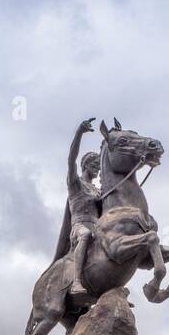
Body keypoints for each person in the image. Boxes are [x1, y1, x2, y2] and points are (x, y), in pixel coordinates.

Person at [64, 119, 102, 297]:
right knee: (86, 235)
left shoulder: (97, 190)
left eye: (99, 166)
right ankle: (76, 282)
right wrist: (79, 132)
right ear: (86, 165)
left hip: (97, 227)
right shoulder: (75, 183)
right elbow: (71, 159)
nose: (97, 169)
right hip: (79, 227)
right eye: (94, 165)